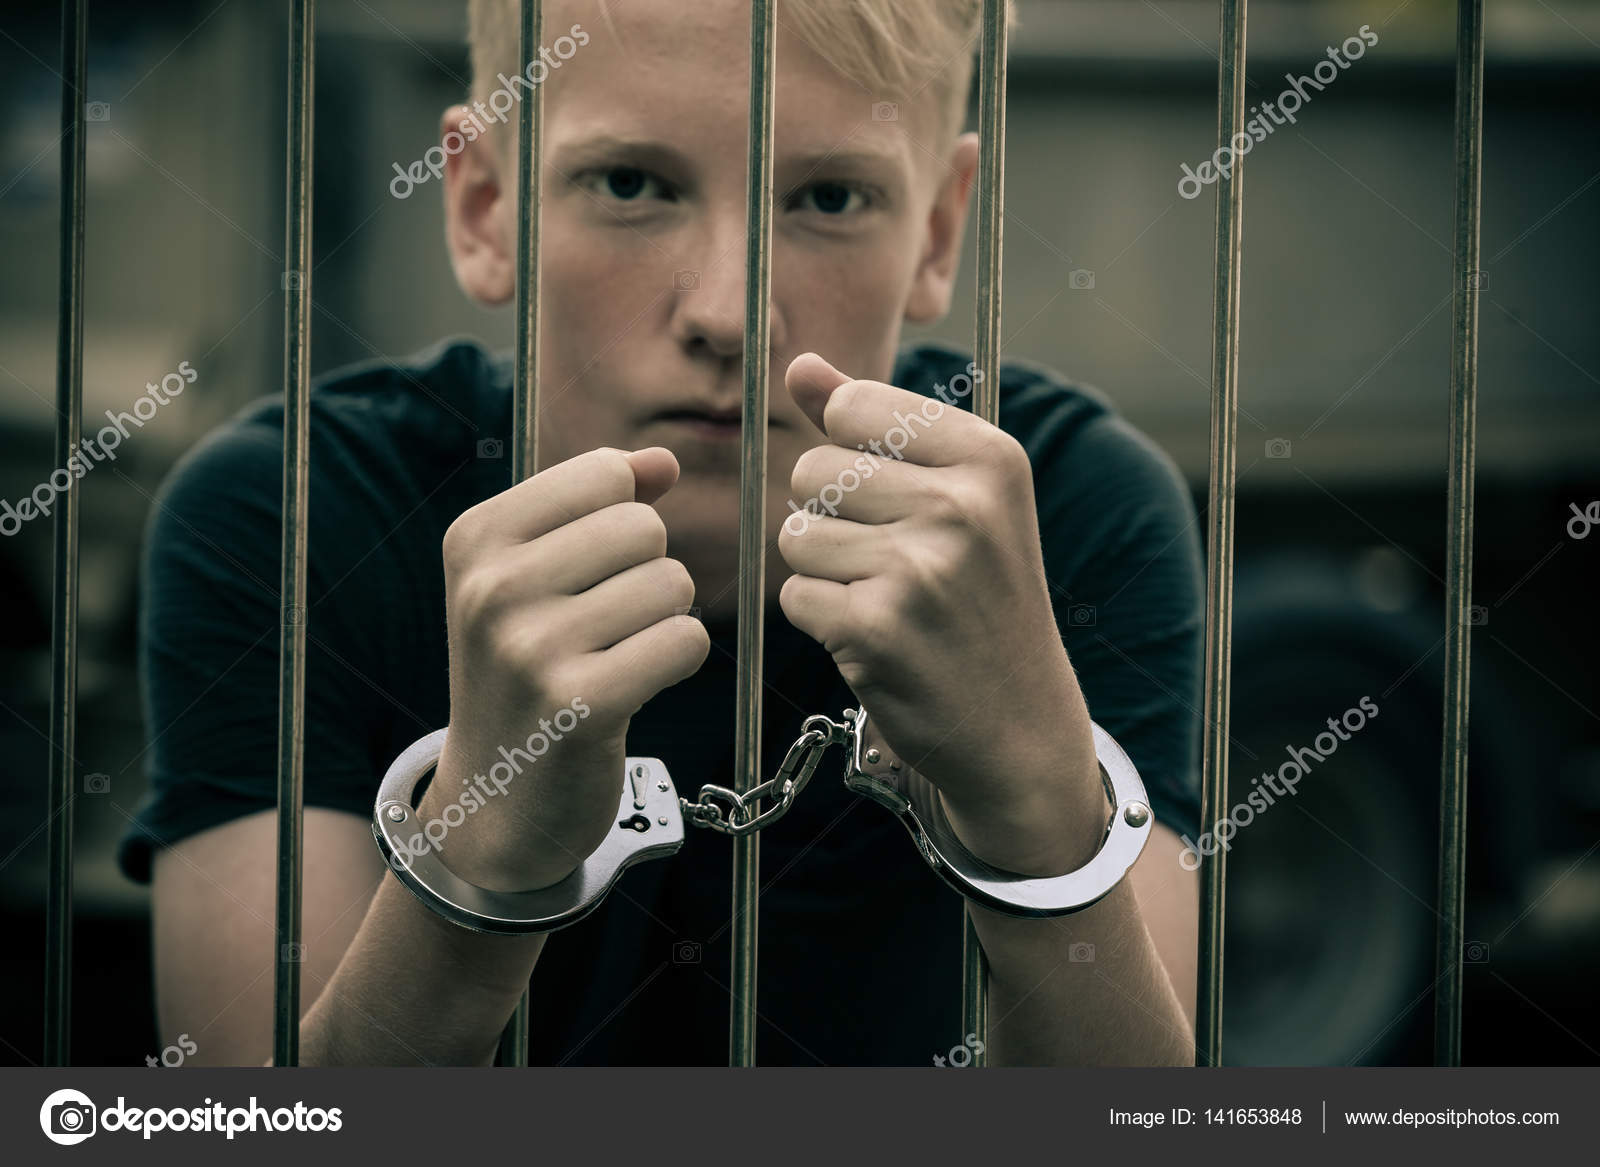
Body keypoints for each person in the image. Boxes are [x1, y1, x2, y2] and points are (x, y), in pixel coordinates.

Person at [120, 0, 1204, 1066]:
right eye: (631, 184)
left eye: (829, 196)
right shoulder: (295, 515)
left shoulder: (1058, 516)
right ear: (484, 206)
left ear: (936, 231)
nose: (728, 315)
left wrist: (1038, 815)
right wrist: (477, 864)